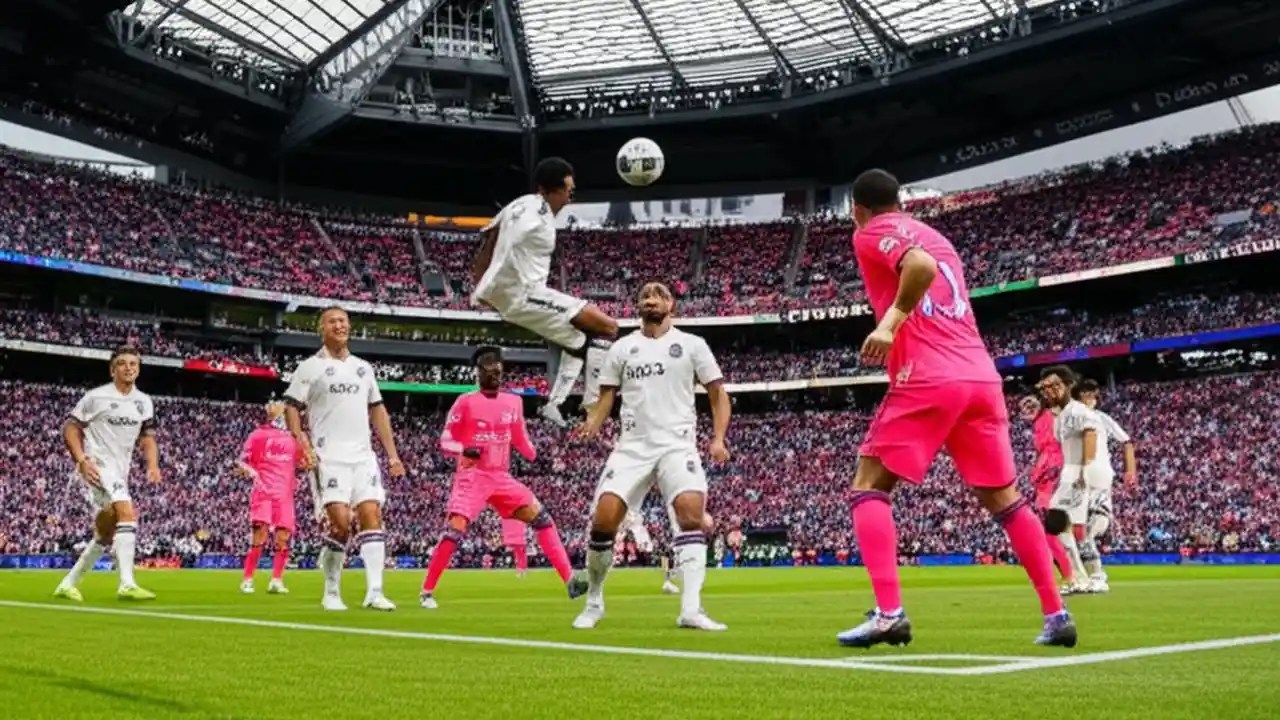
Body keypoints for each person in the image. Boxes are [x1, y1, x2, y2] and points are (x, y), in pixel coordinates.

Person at [836, 169, 1075, 649]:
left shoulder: (870, 231)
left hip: (928, 376)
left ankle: (889, 614)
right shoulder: (937, 236)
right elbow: (930, 261)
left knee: (868, 486)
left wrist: (889, 325)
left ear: (857, 209)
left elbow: (919, 266)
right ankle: (1056, 615)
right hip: (980, 377)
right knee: (1007, 501)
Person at [572, 281, 731, 631]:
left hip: (677, 445)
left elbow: (718, 393)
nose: (651, 300)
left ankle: (691, 609)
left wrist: (718, 438)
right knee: (603, 520)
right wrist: (592, 424)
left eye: (659, 295)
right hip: (633, 446)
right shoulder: (622, 348)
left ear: (671, 304)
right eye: (645, 296)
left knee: (691, 515)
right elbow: (606, 397)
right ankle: (594, 601)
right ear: (638, 306)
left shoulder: (692, 345)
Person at [419, 345, 586, 609]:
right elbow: (445, 440)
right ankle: (427, 591)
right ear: (478, 374)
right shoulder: (465, 402)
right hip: (473, 476)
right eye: (488, 372)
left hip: (501, 477)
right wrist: (464, 449)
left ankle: (570, 580)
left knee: (542, 519)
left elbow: (519, 437)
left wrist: (535, 454)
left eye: (498, 371)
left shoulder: (513, 402)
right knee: (455, 529)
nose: (494, 376)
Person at [471, 157, 619, 428]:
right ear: (551, 189)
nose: (570, 197)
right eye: (568, 190)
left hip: (514, 297)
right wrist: (491, 287)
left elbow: (490, 234)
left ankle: (555, 404)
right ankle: (592, 406)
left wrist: (481, 287)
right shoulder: (536, 212)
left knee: (578, 341)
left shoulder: (519, 204)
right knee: (608, 326)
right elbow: (510, 237)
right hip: (525, 293)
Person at [284, 307, 405, 612]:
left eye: (343, 321)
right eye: (332, 321)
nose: (339, 325)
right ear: (321, 329)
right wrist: (302, 443)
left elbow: (378, 410)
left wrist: (392, 456)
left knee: (372, 516)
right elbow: (291, 407)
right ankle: (331, 591)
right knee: (340, 524)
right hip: (328, 458)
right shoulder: (310, 367)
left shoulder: (363, 368)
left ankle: (374, 592)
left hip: (363, 456)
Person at [54, 346, 161, 602]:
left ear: (139, 369)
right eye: (122, 363)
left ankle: (68, 583)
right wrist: (81, 460)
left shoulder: (144, 402)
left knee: (107, 531)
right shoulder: (96, 397)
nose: (128, 368)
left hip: (120, 470)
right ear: (113, 370)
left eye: (133, 364)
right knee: (127, 513)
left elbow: (148, 437)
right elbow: (70, 427)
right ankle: (127, 583)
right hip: (97, 464)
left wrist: (153, 465)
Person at [1075, 378, 1137, 592]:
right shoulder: (1071, 420)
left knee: (1090, 528)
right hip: (1078, 478)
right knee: (1075, 530)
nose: (1089, 397)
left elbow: (1126, 442)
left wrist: (1130, 470)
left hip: (1099, 476)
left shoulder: (1102, 419)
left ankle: (1097, 576)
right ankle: (1084, 576)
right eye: (1085, 393)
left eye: (1092, 394)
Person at [1038, 366, 1095, 595]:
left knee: (1059, 521)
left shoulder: (1079, 411)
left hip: (1079, 473)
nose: (1049, 391)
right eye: (1045, 388)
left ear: (1069, 385)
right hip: (1068, 474)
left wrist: (1085, 469)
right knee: (1063, 525)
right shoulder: (1060, 418)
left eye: (1054, 385)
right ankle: (1082, 577)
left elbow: (1090, 435)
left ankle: (1084, 577)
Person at [236, 401, 303, 595]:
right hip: (264, 492)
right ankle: (248, 579)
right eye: (273, 404)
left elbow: (302, 462)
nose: (276, 406)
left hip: (285, 495)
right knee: (260, 536)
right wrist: (250, 472)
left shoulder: (294, 438)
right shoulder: (258, 435)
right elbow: (242, 461)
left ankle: (276, 580)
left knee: (283, 538)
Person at [1019, 392, 1075, 586]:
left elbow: (1051, 454)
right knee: (1048, 533)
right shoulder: (1044, 424)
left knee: (1049, 532)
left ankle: (1069, 573)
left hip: (1051, 484)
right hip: (1048, 483)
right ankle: (1067, 573)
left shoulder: (1049, 421)